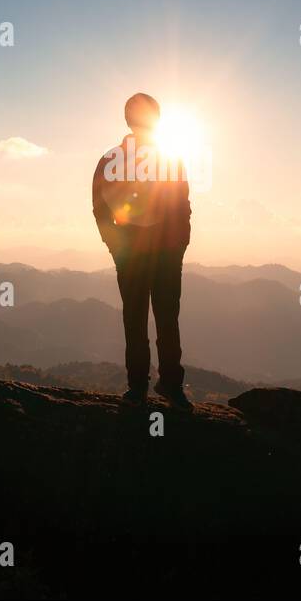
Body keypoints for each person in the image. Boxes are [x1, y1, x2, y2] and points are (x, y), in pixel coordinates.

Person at [92, 93, 192, 408]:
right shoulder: (114, 160)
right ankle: (142, 387)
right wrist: (116, 246)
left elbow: (182, 206)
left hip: (162, 252)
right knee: (142, 318)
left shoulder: (167, 160)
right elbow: (100, 207)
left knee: (162, 318)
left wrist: (178, 246)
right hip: (136, 253)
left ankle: (167, 385)